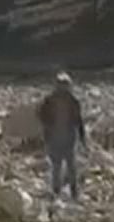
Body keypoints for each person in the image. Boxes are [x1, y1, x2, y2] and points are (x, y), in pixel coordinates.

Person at [37, 72, 88, 207]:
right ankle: (59, 192)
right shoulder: (54, 101)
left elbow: (79, 121)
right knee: (58, 166)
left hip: (67, 137)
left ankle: (71, 192)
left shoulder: (71, 101)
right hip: (57, 137)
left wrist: (82, 138)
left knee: (68, 166)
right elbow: (42, 116)